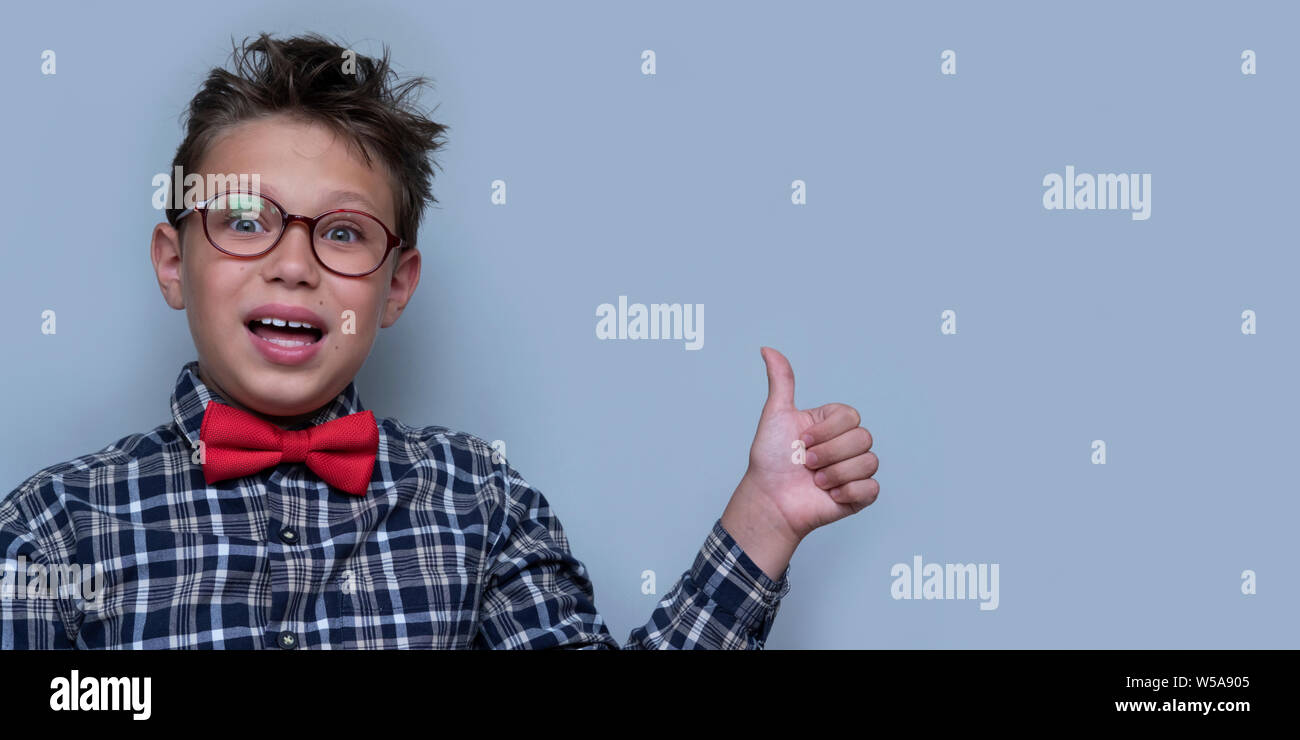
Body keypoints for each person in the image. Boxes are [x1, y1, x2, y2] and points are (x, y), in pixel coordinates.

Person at [0, 33, 879, 649]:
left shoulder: (480, 504)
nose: (294, 265)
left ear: (397, 286)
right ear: (172, 263)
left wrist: (762, 520)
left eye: (342, 233)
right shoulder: (53, 530)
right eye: (243, 221)